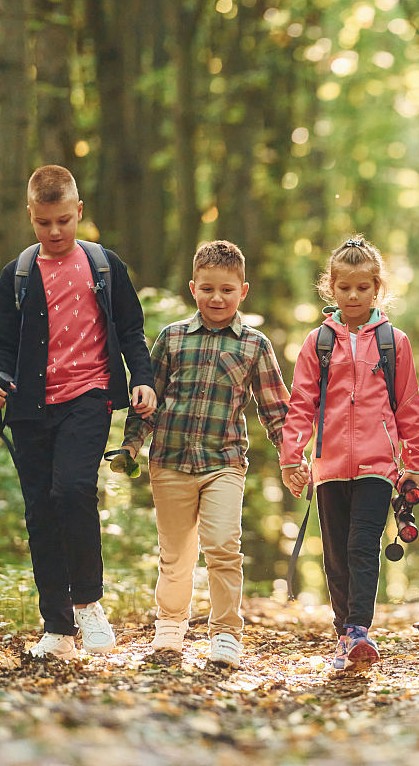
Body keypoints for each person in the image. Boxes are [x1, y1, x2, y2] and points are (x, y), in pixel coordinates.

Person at [0, 165, 157, 660]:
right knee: (40, 511)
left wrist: (141, 378)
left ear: (79, 212)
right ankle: (57, 628)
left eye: (63, 220)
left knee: (74, 489)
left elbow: (130, 332)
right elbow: (0, 345)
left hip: (89, 396)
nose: (55, 232)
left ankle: (88, 605)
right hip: (30, 407)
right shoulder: (17, 275)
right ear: (30, 217)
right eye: (44, 223)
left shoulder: (104, 267)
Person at [118, 240, 292, 668]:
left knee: (222, 546)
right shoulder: (172, 338)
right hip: (170, 461)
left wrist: (292, 456)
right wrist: (131, 445)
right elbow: (148, 397)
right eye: (209, 289)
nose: (218, 298)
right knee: (175, 553)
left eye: (227, 290)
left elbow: (275, 409)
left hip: (224, 463)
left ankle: (227, 633)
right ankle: (170, 628)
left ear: (243, 291)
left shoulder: (255, 345)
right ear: (193, 288)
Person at [280, 237, 419, 672]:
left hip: (377, 467)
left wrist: (414, 464)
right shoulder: (318, 342)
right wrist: (293, 456)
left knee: (363, 545)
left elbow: (409, 406)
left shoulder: (393, 342)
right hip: (329, 470)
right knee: (335, 554)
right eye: (345, 288)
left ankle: (359, 629)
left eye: (363, 288)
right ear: (331, 288)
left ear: (377, 287)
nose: (353, 296)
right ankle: (343, 630)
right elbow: (302, 403)